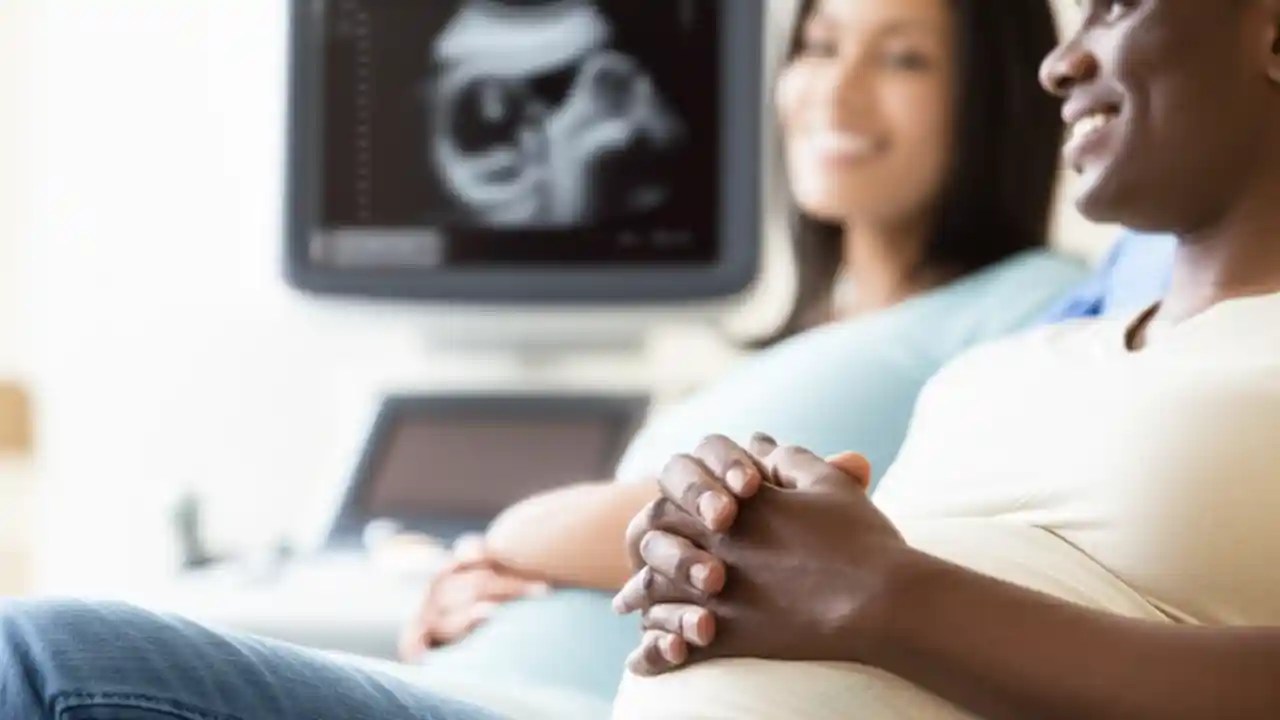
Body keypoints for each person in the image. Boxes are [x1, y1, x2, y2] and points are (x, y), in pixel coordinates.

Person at [0, 0, 1085, 717]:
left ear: (990, 95)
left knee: (48, 663)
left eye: (900, 57)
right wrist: (474, 580)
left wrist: (505, 539)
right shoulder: (778, 350)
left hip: (566, 709)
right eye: (816, 44)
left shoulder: (1024, 307)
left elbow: (848, 546)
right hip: (480, 682)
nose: (834, 91)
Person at [612, 0, 1280, 718]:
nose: (1059, 68)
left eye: (1115, 9)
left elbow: (874, 600)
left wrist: (886, 598)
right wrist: (728, 543)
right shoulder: (1000, 368)